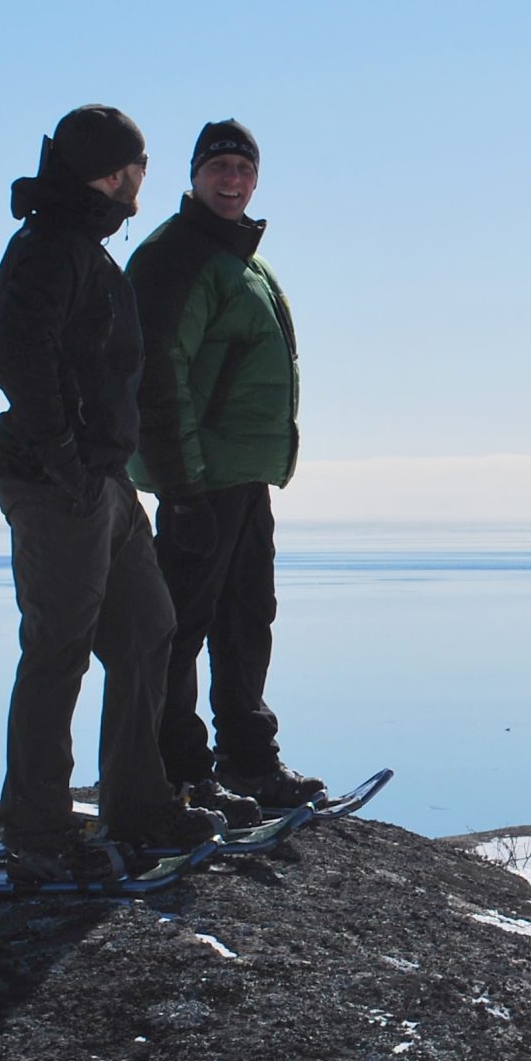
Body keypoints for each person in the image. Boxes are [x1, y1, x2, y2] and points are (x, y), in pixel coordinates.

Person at [0, 105, 223, 882]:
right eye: (138, 173)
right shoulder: (49, 247)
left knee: (147, 629)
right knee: (58, 649)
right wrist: (66, 461)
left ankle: (138, 802)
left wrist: (104, 469)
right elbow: (17, 355)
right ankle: (38, 829)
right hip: (60, 483)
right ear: (114, 173)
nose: (140, 191)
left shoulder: (81, 246)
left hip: (102, 481)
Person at [125, 119, 326, 811]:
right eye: (220, 168)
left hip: (242, 476)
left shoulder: (244, 262)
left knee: (247, 618)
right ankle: (180, 773)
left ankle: (248, 759)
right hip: (199, 479)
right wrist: (180, 488)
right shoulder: (176, 256)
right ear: (193, 175)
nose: (233, 180)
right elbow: (155, 373)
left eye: (244, 168)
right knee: (181, 626)